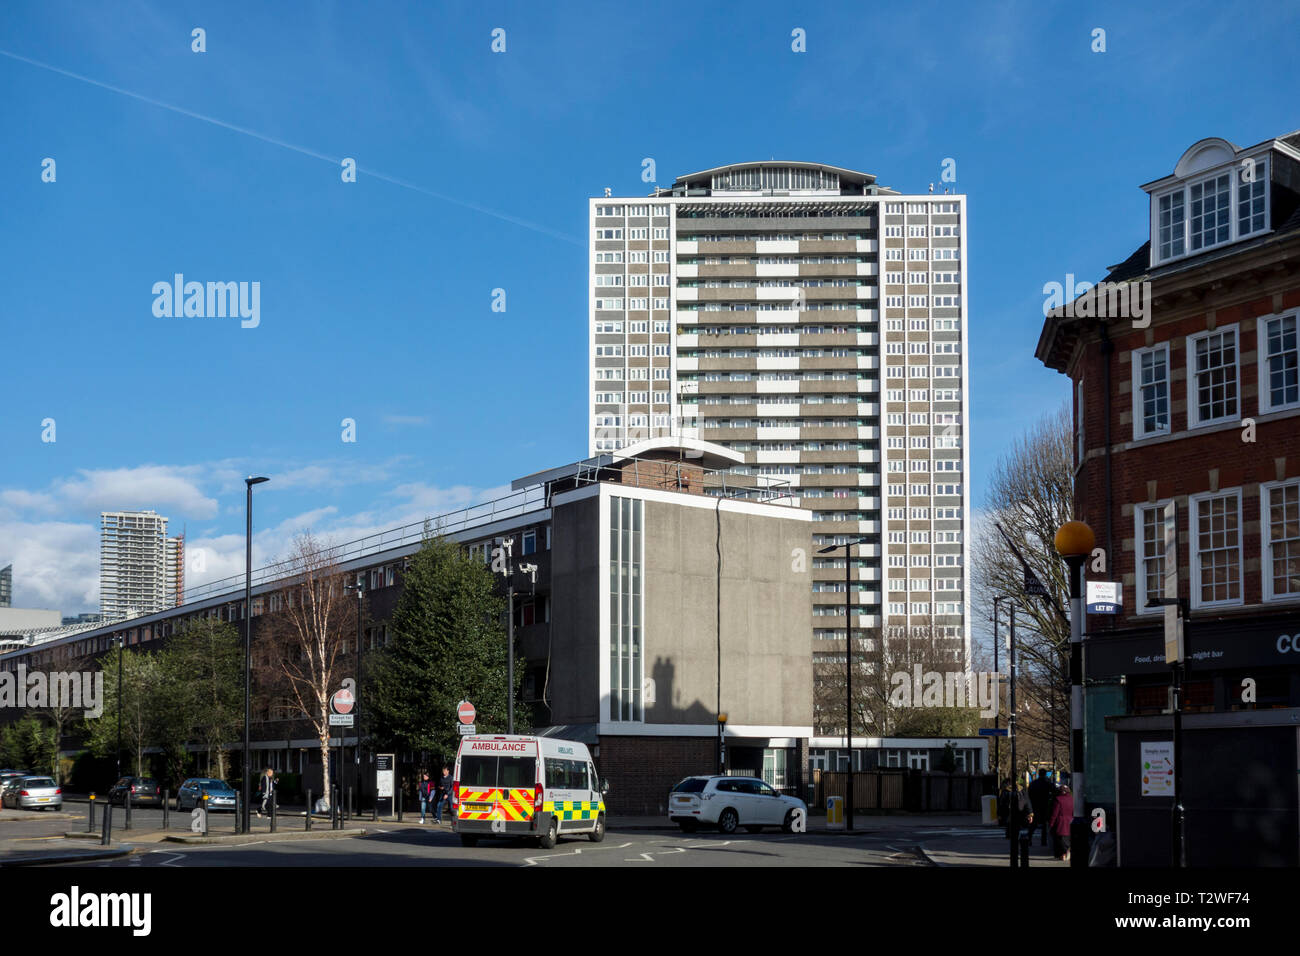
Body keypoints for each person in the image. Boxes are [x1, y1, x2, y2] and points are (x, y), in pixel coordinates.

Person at [1004, 781, 1034, 866]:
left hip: (1011, 817)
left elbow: (1002, 803)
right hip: (1021, 816)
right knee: (1021, 834)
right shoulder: (1022, 791)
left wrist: (1000, 815)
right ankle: (1019, 848)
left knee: (1013, 836)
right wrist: (1030, 814)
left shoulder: (1006, 791)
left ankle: (1015, 851)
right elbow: (1027, 803)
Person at [1048, 783, 1073, 862]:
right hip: (1070, 822)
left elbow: (1054, 813)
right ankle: (1066, 853)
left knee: (1060, 840)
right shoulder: (1072, 799)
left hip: (1060, 823)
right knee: (1067, 840)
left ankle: (1063, 855)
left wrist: (1051, 824)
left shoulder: (1058, 799)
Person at [1027, 769, 1052, 847]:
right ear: (1045, 774)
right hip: (1045, 806)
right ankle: (1043, 841)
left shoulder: (1033, 783)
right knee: (1045, 825)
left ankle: (1029, 839)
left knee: (1033, 824)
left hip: (1035, 805)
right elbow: (1053, 792)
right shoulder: (1048, 783)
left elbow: (1029, 795)